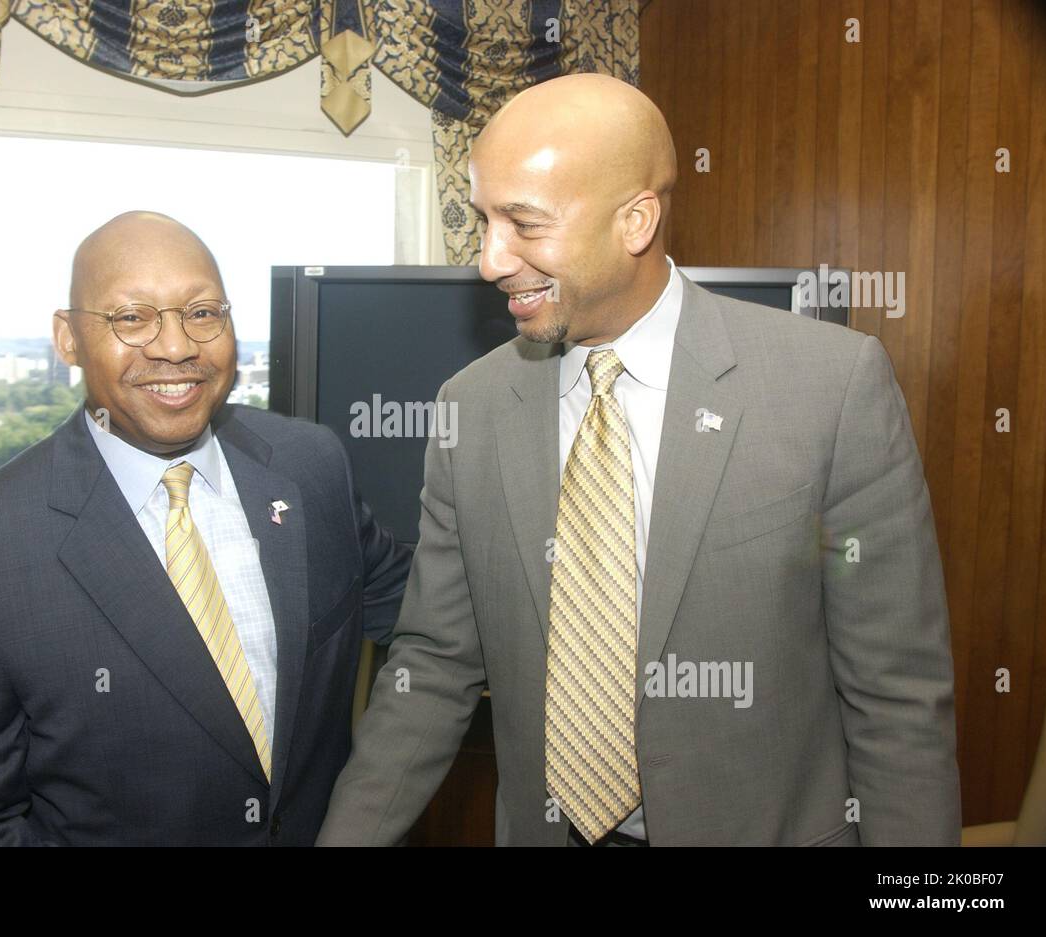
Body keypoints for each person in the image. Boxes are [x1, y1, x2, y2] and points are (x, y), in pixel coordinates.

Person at [318, 74, 961, 846]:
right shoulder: (471, 407)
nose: (490, 260)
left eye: (523, 223)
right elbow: (434, 664)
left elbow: (897, 698)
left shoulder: (831, 387)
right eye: (483, 219)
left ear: (636, 220)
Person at [0, 211, 412, 845]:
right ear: (67, 339)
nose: (175, 347)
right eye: (131, 318)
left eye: (202, 313)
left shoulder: (310, 466)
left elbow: (425, 613)